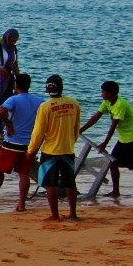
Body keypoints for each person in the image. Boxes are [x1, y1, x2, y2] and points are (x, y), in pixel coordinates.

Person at [0, 73, 43, 211]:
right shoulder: (39, 101)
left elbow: (1, 112)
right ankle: (21, 205)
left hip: (12, 142)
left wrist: (8, 124)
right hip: (28, 143)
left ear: (16, 85)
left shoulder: (13, 100)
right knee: (24, 174)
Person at [26, 74, 82, 221]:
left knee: (50, 184)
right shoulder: (73, 103)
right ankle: (73, 213)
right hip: (67, 148)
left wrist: (31, 150)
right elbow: (77, 128)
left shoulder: (45, 107)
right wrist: (71, 141)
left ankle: (55, 215)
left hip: (50, 151)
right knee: (70, 183)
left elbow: (38, 132)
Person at [81, 81, 133, 197]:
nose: (101, 94)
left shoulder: (121, 104)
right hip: (123, 139)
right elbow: (95, 117)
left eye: (103, 92)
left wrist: (104, 143)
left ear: (109, 93)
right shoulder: (106, 102)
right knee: (113, 163)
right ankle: (116, 191)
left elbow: (113, 125)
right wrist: (80, 130)